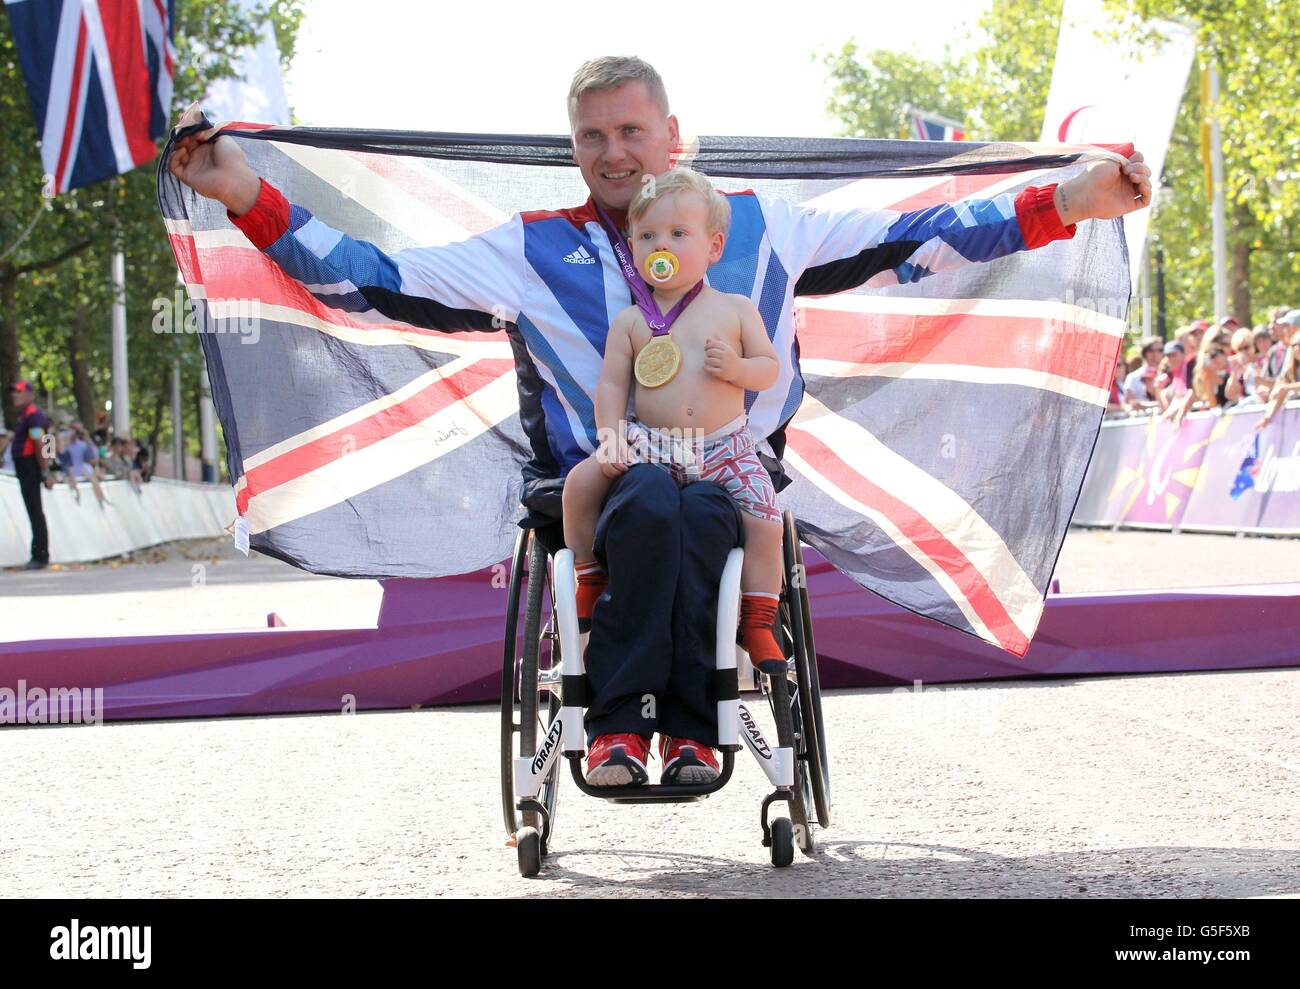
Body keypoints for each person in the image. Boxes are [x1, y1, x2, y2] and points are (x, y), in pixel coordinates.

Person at [167, 56, 1153, 786]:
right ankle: (629, 719)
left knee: (695, 506)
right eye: (592, 138)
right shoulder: (530, 251)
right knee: (643, 493)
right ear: (572, 148)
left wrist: (1072, 198)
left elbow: (927, 236)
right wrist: (241, 193)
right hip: (601, 482)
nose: (613, 154)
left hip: (730, 471)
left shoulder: (765, 227)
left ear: (672, 136)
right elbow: (370, 278)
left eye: (631, 133)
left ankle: (676, 725)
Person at [562, 170, 784, 782]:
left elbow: (770, 369)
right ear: (632, 245)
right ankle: (588, 573)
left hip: (720, 449)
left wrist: (738, 367)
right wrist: (610, 434)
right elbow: (612, 383)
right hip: (655, 447)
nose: (660, 245)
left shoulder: (733, 310)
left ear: (713, 247)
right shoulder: (633, 322)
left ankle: (759, 618)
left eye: (678, 233)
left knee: (766, 518)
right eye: (647, 235)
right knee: (583, 483)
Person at [8, 379, 54, 569]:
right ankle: (39, 554)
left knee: (35, 511)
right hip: (28, 467)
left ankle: (40, 556)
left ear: (29, 394)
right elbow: (49, 437)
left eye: (18, 392)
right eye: (13, 392)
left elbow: (40, 442)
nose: (14, 395)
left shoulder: (34, 416)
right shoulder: (28, 416)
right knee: (34, 510)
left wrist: (46, 470)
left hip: (30, 467)